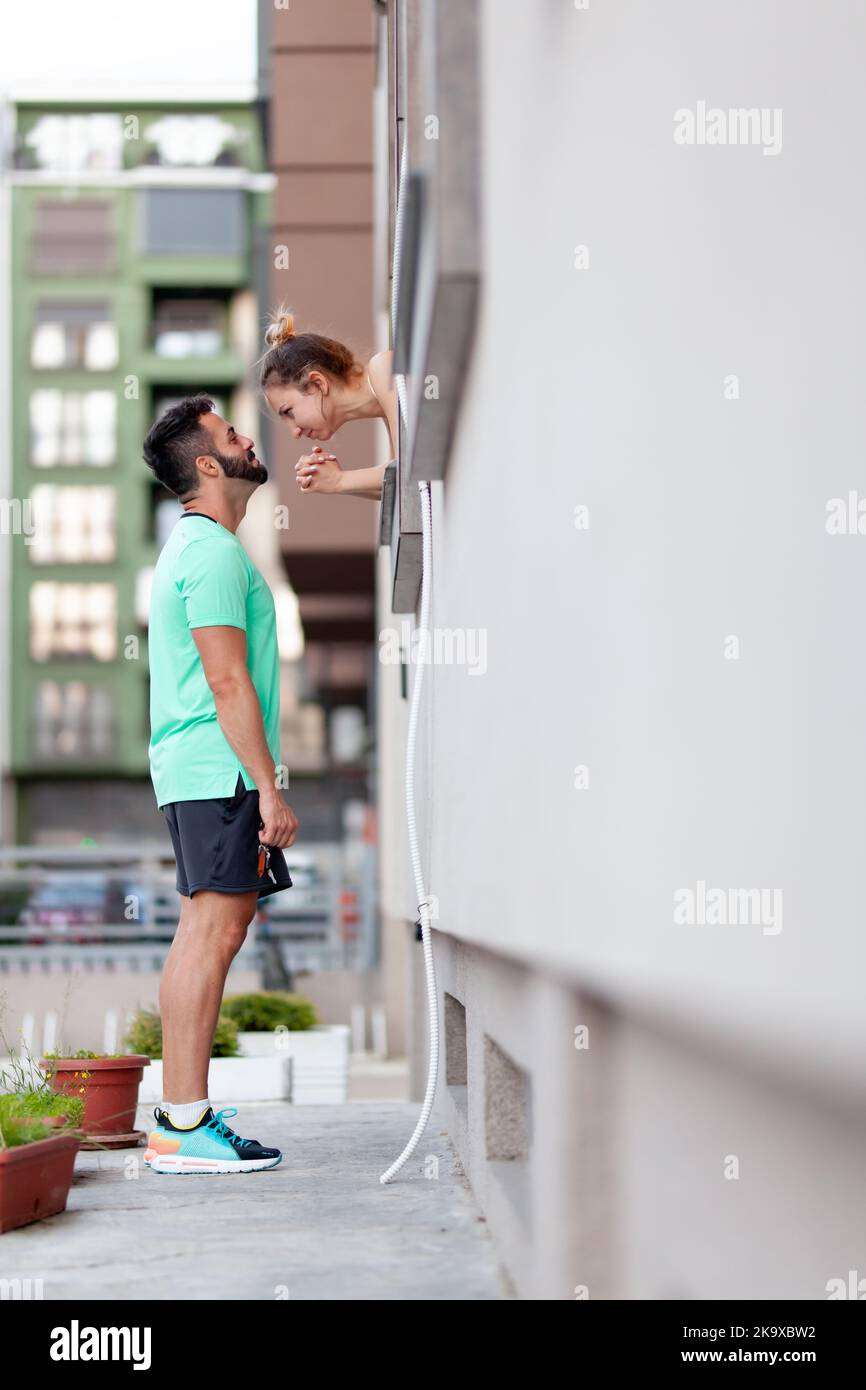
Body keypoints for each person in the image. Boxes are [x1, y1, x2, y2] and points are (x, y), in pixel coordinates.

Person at [141, 393, 299, 1174]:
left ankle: (178, 1119)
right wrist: (268, 787)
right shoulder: (209, 552)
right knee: (215, 934)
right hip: (218, 768)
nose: (248, 440)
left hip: (199, 768)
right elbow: (227, 680)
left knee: (203, 933)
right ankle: (183, 1126)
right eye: (233, 434)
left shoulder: (197, 548)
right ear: (209, 465)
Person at [259, 307, 398, 502]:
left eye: (288, 412)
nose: (295, 432)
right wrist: (331, 482)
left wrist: (338, 480)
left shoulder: (382, 367)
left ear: (317, 383)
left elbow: (406, 471)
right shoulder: (383, 406)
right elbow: (395, 486)